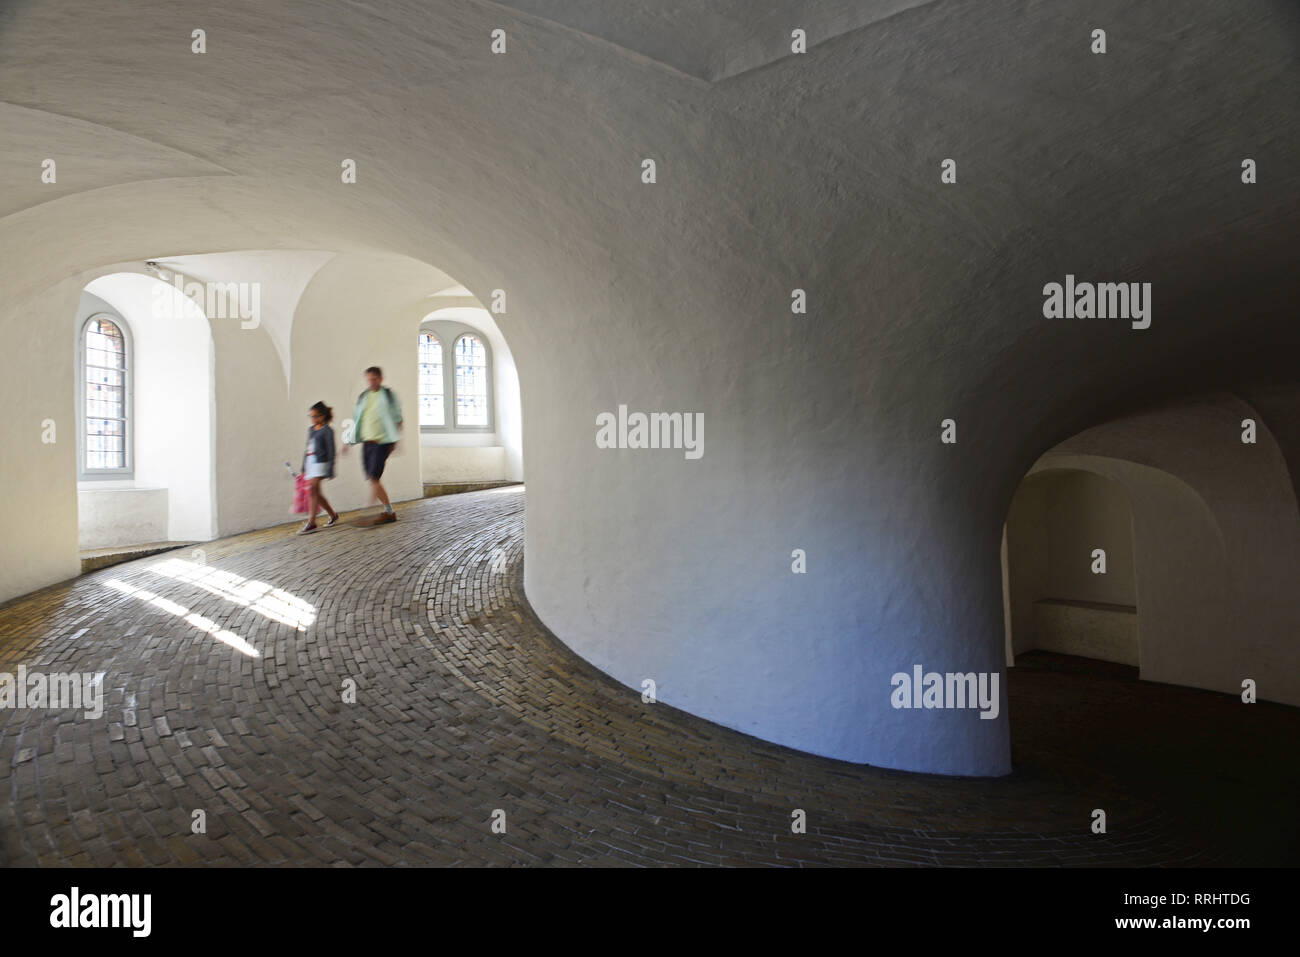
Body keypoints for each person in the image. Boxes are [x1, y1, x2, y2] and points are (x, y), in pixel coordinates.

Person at [346, 366, 402, 523]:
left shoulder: (388, 396)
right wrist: (348, 441)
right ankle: (389, 512)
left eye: (374, 379)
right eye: (369, 379)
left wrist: (395, 441)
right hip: (367, 443)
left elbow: (398, 419)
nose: (371, 382)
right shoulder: (364, 396)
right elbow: (356, 419)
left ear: (380, 379)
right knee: (372, 479)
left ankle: (368, 511)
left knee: (374, 477)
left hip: (381, 442)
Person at [297, 401, 339, 535]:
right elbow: (307, 447)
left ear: (323, 416)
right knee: (316, 493)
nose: (313, 419)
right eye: (311, 416)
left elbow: (332, 450)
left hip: (322, 462)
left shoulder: (328, 430)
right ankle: (333, 515)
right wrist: (304, 466)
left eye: (315, 416)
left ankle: (312, 522)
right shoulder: (310, 430)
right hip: (310, 462)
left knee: (312, 488)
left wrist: (331, 469)